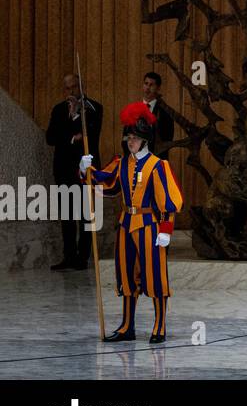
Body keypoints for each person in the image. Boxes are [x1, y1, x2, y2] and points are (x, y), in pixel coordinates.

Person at [82, 102, 183, 344]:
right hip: (126, 224)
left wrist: (166, 229)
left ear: (145, 140)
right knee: (126, 276)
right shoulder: (122, 163)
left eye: (135, 138)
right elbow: (107, 185)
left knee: (155, 276)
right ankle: (127, 326)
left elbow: (169, 200)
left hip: (150, 225)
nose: (130, 141)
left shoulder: (159, 166)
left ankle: (159, 325)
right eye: (128, 137)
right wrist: (86, 170)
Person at [45, 73, 102, 270]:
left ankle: (82, 258)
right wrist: (71, 137)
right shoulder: (59, 110)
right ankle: (68, 256)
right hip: (63, 168)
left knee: (86, 215)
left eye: (75, 87)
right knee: (67, 214)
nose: (71, 91)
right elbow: (51, 137)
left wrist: (78, 115)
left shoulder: (93, 108)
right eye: (68, 88)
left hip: (85, 169)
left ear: (81, 86)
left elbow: (91, 136)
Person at [141, 71, 176, 158]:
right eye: (146, 83)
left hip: (157, 160)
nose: (148, 88)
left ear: (158, 88)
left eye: (151, 85)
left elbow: (167, 140)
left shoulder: (165, 113)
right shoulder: (134, 110)